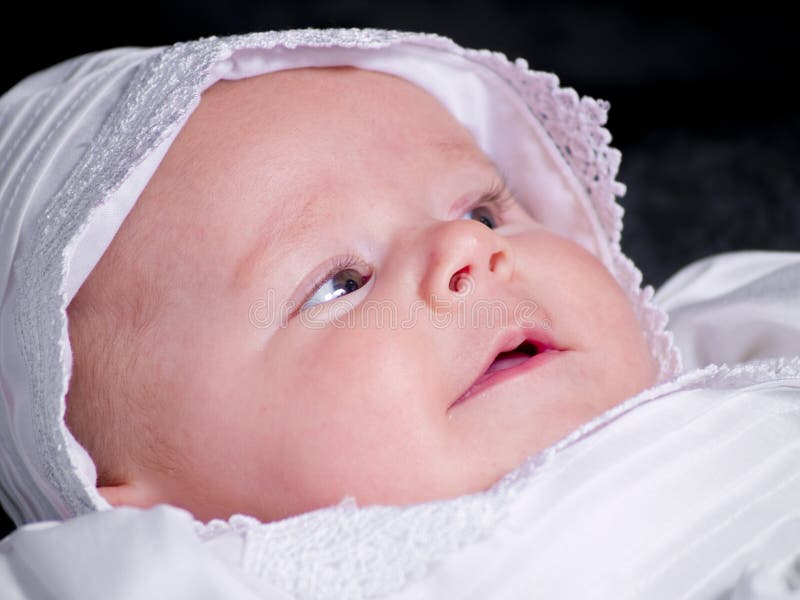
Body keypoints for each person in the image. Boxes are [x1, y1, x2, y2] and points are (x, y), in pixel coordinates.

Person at [0, 28, 798, 600]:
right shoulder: (187, 576)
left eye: (484, 212)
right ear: (134, 507)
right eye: (338, 282)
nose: (467, 250)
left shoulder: (735, 329)